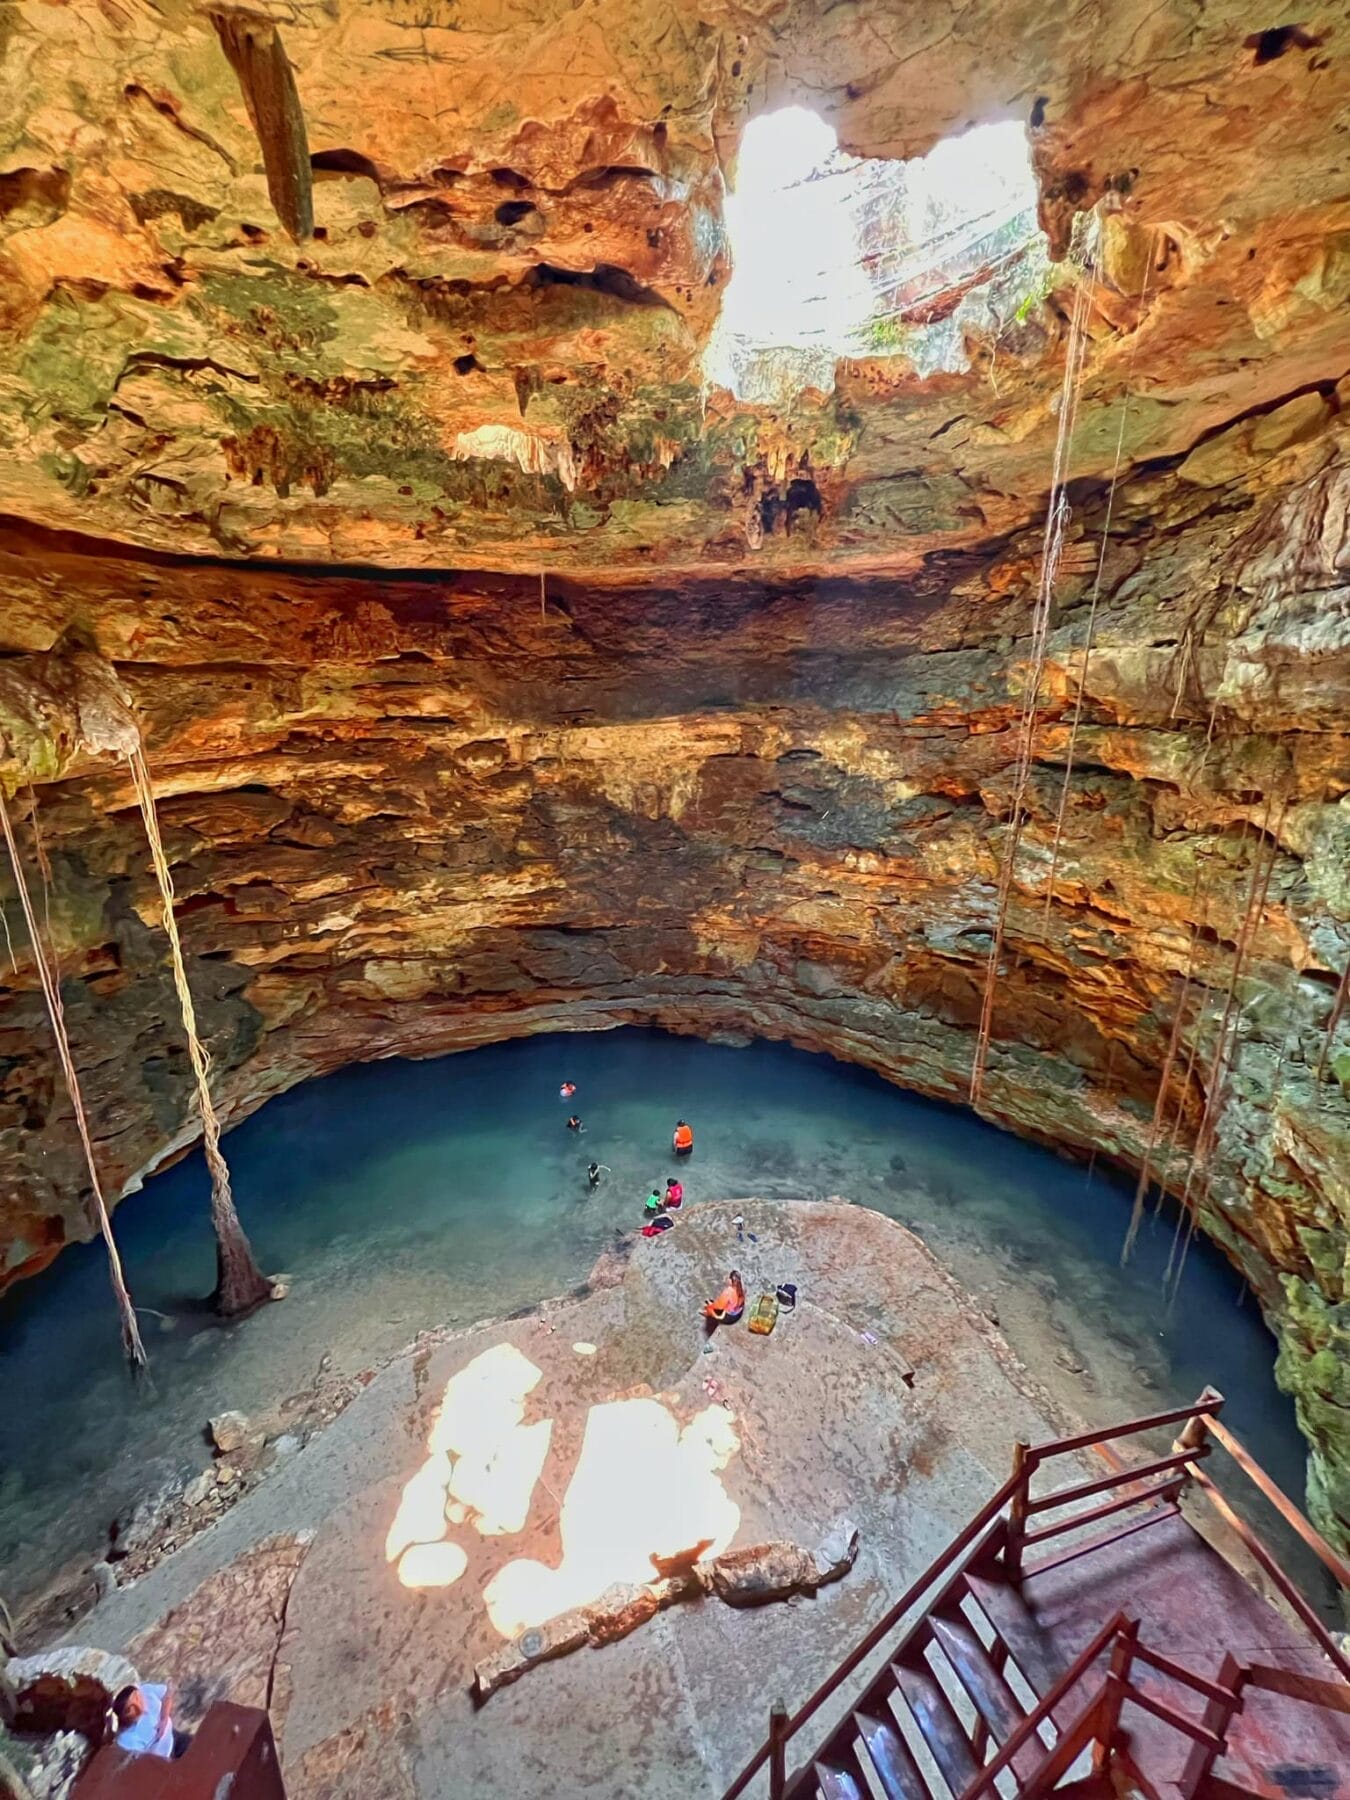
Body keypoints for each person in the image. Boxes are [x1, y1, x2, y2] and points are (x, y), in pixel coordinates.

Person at [110, 1683, 187, 1760]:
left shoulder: (146, 1691)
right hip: (164, 1758)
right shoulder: (126, 1737)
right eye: (130, 1709)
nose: (138, 1705)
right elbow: (142, 1759)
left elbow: (167, 1695)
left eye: (137, 1697)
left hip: (174, 1736)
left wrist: (164, 1718)